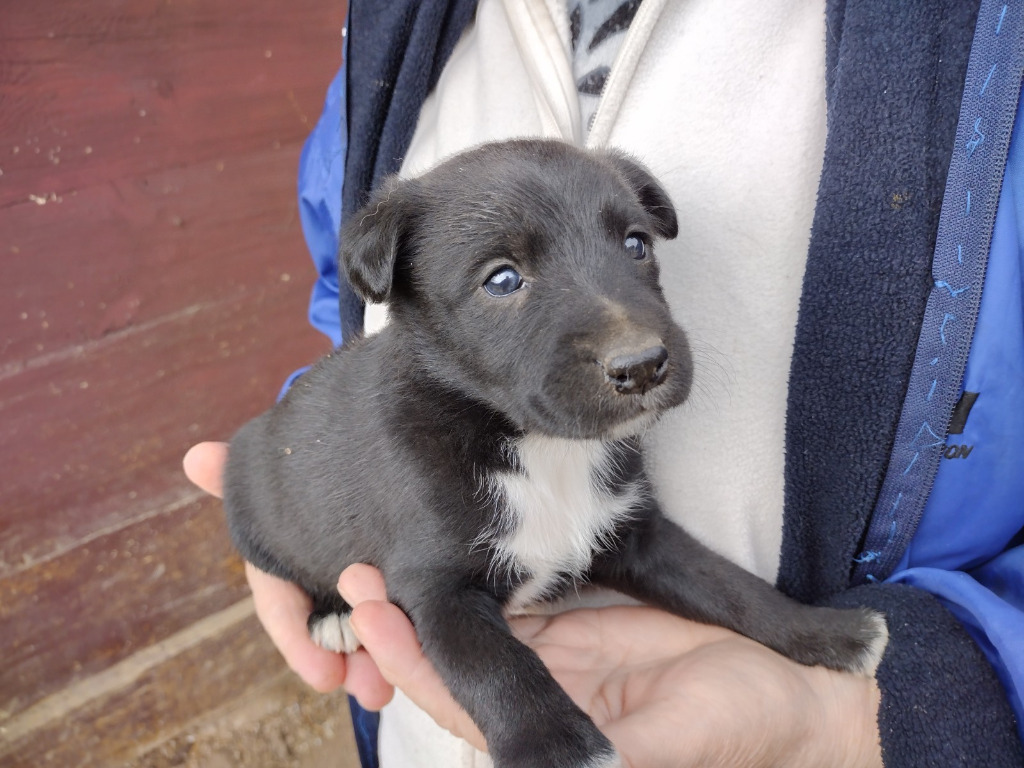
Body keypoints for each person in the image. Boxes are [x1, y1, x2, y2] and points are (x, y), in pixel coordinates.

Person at [185, 0, 1024, 765]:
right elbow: (434, 587)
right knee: (338, 542)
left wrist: (822, 664)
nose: (631, 336)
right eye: (504, 280)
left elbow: (644, 545)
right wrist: (538, 731)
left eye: (632, 248)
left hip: (789, 728)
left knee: (630, 535)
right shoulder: (400, 25)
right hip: (396, 678)